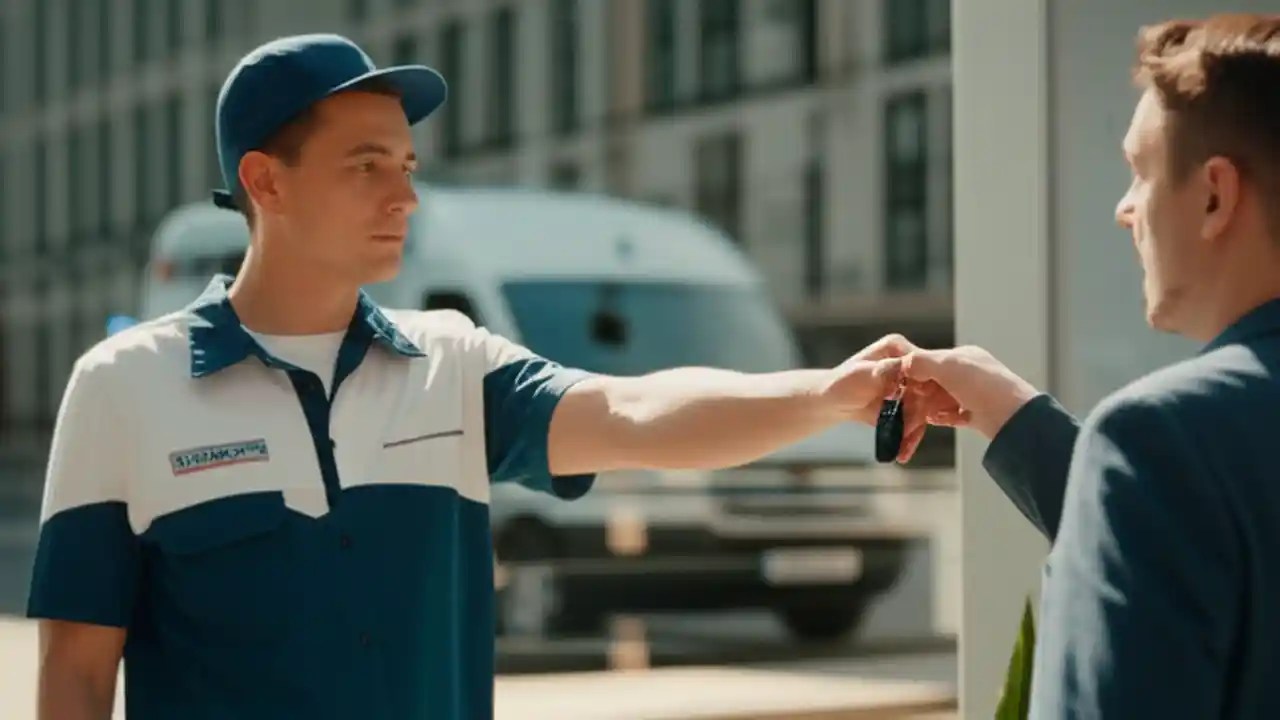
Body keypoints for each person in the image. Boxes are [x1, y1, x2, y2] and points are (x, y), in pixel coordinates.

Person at [26, 34, 923, 720]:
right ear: (266, 180)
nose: (404, 195)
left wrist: (827, 393)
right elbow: (74, 672)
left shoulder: (453, 363)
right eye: (367, 165)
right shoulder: (121, 387)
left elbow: (632, 410)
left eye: (407, 166)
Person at [893, 13, 1280, 719]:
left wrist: (1115, 455)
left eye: (1139, 171)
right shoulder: (1171, 452)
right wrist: (1015, 418)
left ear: (1216, 195)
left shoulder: (1158, 440)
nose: (1123, 210)